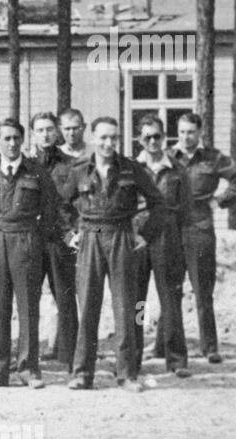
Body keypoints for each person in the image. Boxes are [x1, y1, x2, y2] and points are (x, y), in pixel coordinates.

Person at [67, 117, 165, 392]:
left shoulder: (132, 169)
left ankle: (127, 374)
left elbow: (158, 203)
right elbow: (60, 207)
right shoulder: (78, 171)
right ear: (93, 139)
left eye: (114, 138)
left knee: (125, 307)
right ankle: (82, 373)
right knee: (87, 306)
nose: (109, 143)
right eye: (103, 138)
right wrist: (70, 235)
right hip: (90, 237)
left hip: (121, 235)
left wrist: (144, 234)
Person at [0, 118, 67, 389]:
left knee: (28, 306)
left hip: (26, 239)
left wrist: (32, 236)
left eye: (17, 138)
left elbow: (50, 210)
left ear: (23, 140)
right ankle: (0, 369)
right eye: (7, 138)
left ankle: (28, 368)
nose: (13, 143)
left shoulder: (36, 173)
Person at [171, 112, 236, 364]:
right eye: (181, 132)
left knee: (203, 290)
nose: (186, 137)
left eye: (191, 132)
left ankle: (210, 346)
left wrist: (219, 201)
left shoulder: (213, 158)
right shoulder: (168, 157)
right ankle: (163, 345)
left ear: (200, 132)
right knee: (169, 290)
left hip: (200, 227)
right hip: (171, 229)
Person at [133, 115, 193, 378]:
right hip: (139, 238)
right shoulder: (131, 169)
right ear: (139, 139)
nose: (153, 141)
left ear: (164, 137)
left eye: (157, 136)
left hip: (167, 238)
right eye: (147, 137)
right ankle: (132, 357)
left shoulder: (177, 170)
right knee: (137, 301)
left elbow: (186, 210)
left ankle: (176, 358)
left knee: (170, 299)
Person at [30, 111, 79, 371]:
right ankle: (28, 358)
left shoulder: (71, 164)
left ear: (56, 132)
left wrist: (75, 231)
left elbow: (80, 202)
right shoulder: (27, 165)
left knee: (66, 297)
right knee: (29, 299)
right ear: (33, 133)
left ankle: (72, 358)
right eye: (40, 130)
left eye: (49, 129)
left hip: (62, 241)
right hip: (33, 241)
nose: (45, 134)